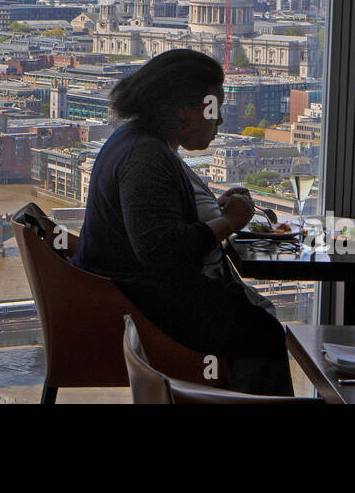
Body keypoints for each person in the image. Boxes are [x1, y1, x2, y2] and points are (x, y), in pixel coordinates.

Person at [71, 49, 294, 395]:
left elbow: (154, 220)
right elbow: (162, 250)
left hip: (123, 295)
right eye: (212, 108)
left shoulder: (136, 140)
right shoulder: (145, 158)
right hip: (142, 304)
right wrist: (229, 223)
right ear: (182, 111)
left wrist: (207, 210)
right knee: (263, 334)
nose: (219, 120)